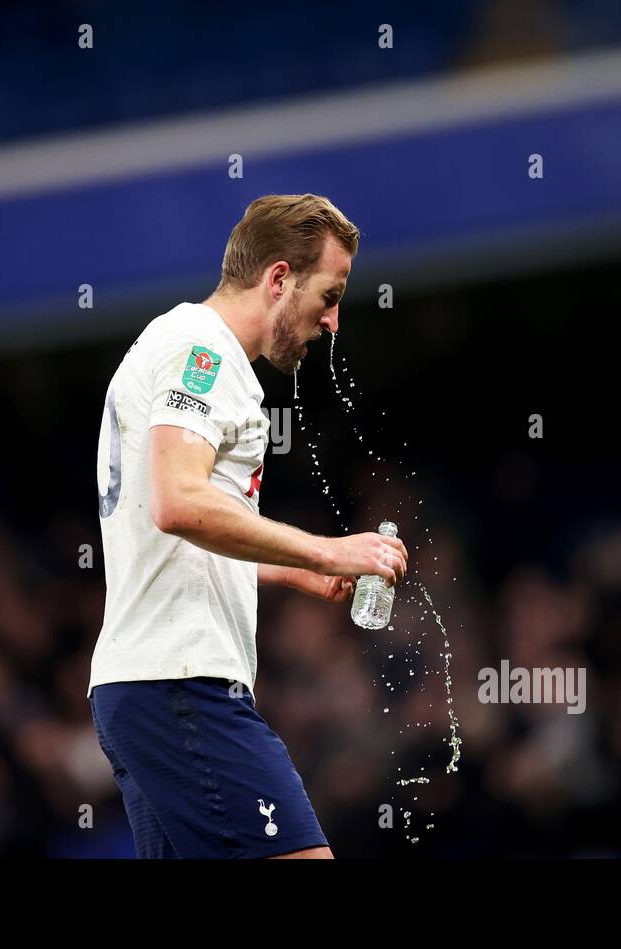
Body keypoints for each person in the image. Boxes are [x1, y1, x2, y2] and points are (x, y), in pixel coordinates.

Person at [90, 193, 408, 858]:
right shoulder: (203, 353)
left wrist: (291, 568)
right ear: (279, 278)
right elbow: (177, 500)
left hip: (146, 685)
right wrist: (325, 550)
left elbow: (175, 529)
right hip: (181, 684)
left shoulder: (177, 342)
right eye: (330, 292)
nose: (334, 320)